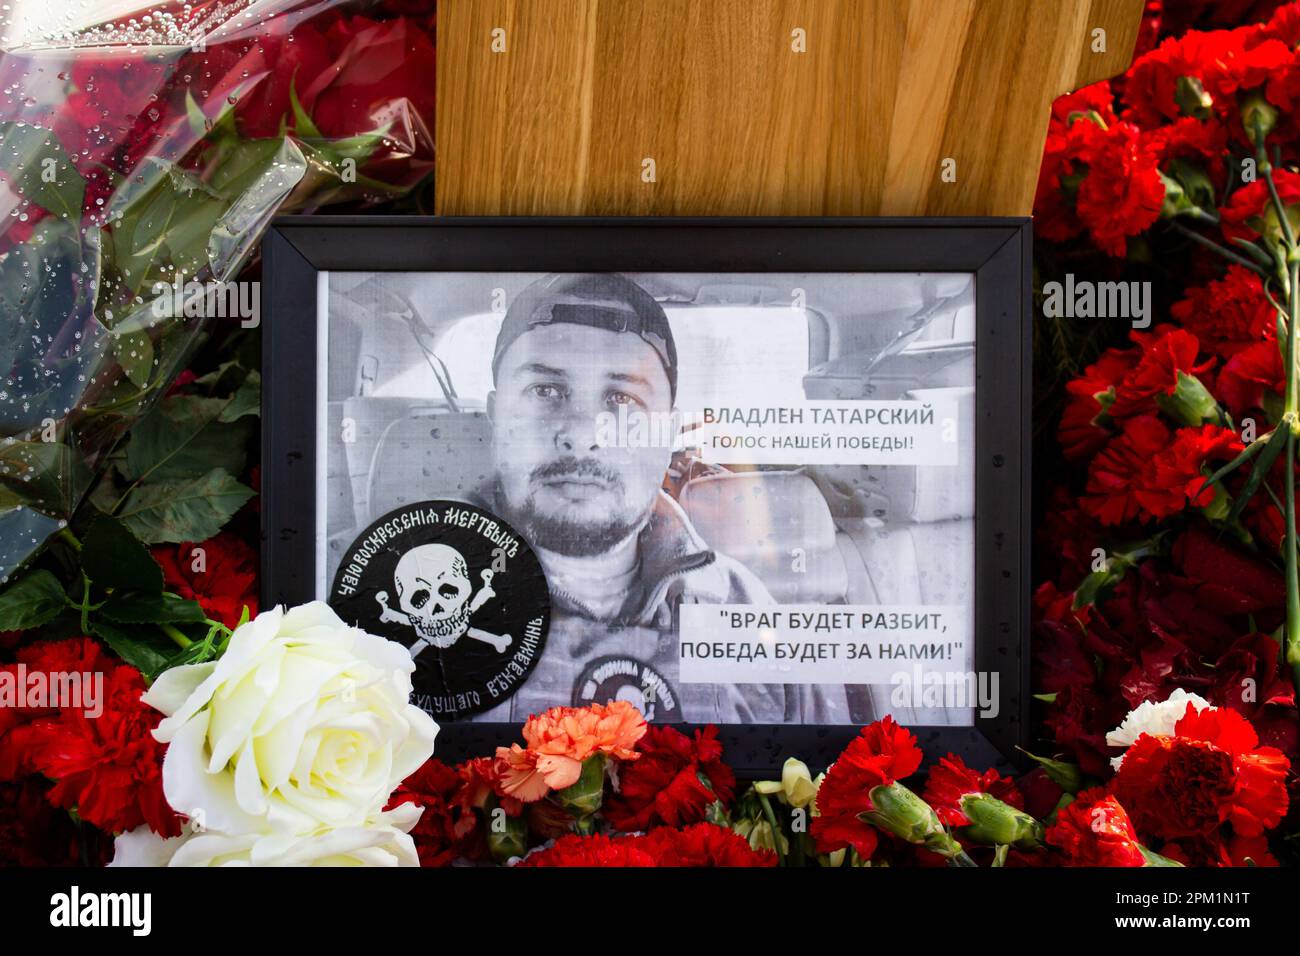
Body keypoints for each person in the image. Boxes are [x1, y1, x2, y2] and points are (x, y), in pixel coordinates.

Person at [470, 273, 847, 724]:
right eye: (545, 391)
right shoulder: (406, 589)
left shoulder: (741, 604)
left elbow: (823, 783)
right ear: (494, 419)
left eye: (622, 398)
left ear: (667, 434)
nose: (581, 435)